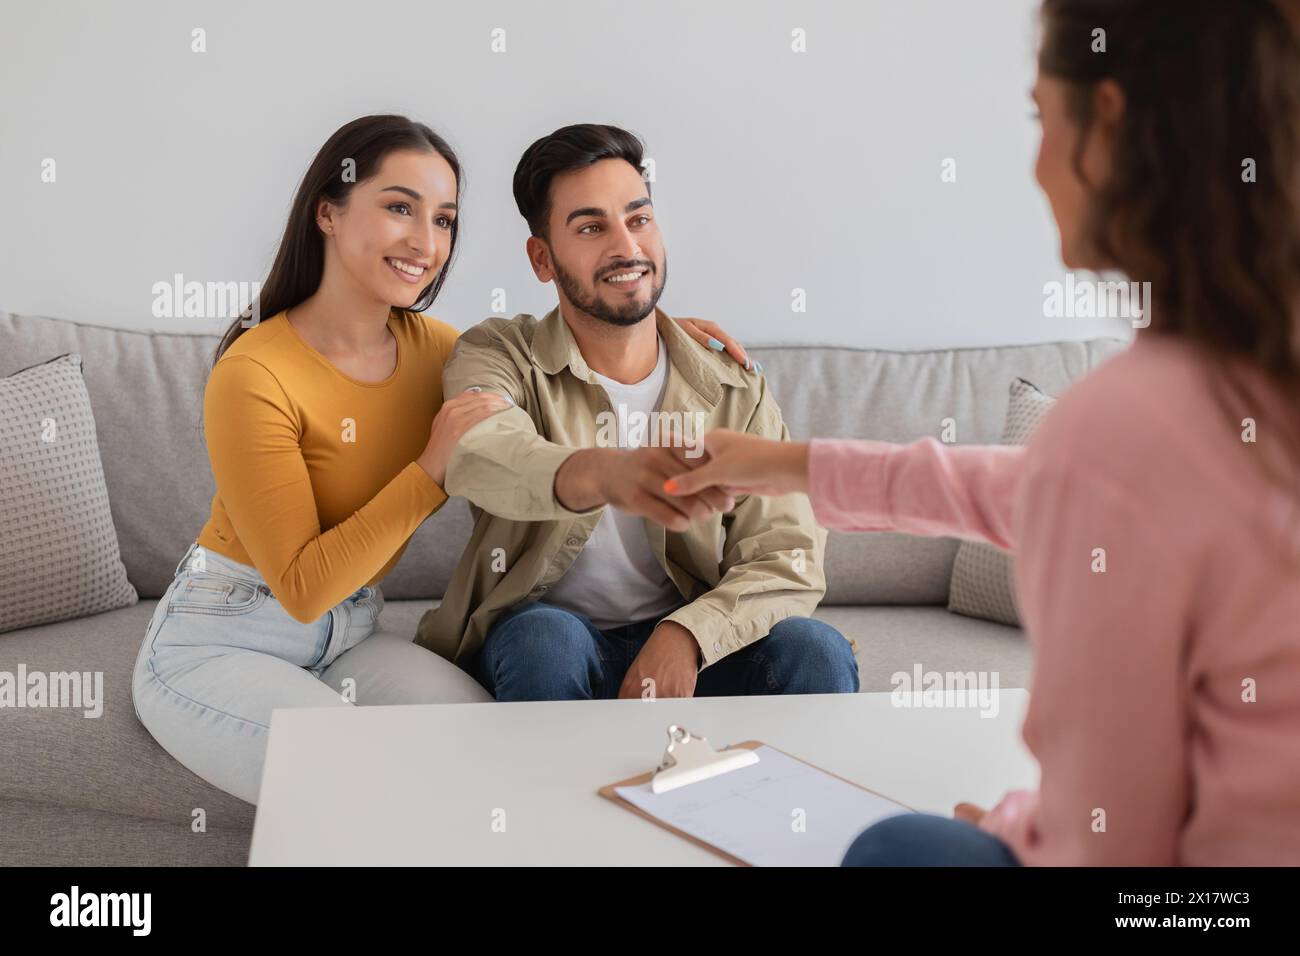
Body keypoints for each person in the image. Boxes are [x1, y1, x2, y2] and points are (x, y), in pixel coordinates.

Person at [663, 0, 1300, 865]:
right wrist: (783, 462)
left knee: (900, 849)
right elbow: (1031, 493)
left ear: (1107, 123)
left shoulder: (1134, 427)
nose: (1035, 165)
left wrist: (1009, 831)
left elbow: (1111, 848)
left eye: (1042, 117)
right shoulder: (1227, 395)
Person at [132, 116, 750, 803]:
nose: (426, 243)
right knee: (361, 786)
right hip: (227, 635)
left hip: (353, 635)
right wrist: (428, 473)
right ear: (328, 213)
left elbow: (548, 349)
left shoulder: (438, 351)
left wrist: (654, 332)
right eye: (400, 207)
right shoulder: (254, 371)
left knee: (495, 763)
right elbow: (304, 590)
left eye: (445, 219)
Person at [416, 124, 857, 702]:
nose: (626, 247)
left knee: (815, 650)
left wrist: (687, 635)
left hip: (692, 654)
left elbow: (786, 556)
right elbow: (480, 448)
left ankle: (801, 795)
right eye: (592, 227)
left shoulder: (730, 383)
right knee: (544, 638)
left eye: (639, 218)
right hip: (550, 646)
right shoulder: (498, 354)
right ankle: (543, 794)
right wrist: (603, 472)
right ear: (542, 259)